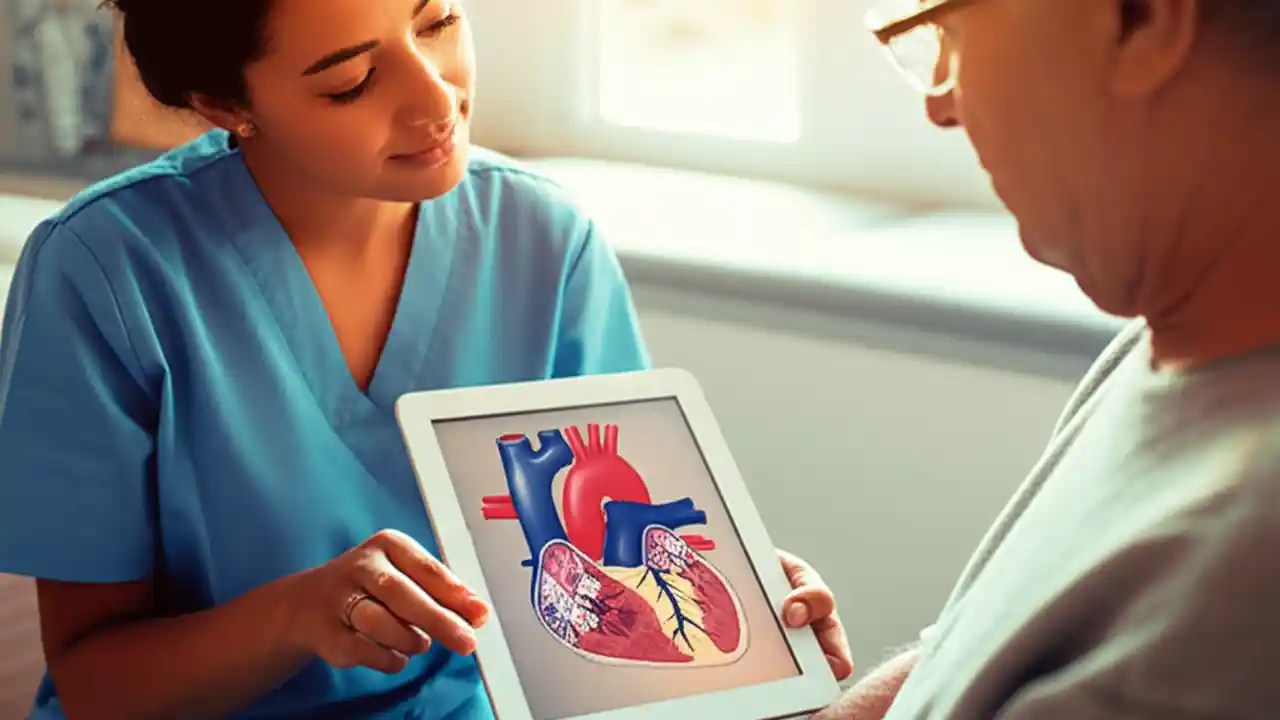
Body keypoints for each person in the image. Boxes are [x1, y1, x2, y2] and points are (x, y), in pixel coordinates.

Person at [0, 1, 852, 718]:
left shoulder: (544, 241)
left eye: (437, 19)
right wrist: (295, 617)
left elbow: (605, 561)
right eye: (351, 80)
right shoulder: (108, 271)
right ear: (226, 105)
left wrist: (738, 607)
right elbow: (94, 681)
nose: (434, 98)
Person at [818, 0, 1280, 718]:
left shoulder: (1241, 574)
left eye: (952, 27)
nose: (942, 103)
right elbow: (980, 657)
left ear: (1142, 20)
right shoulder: (1166, 344)